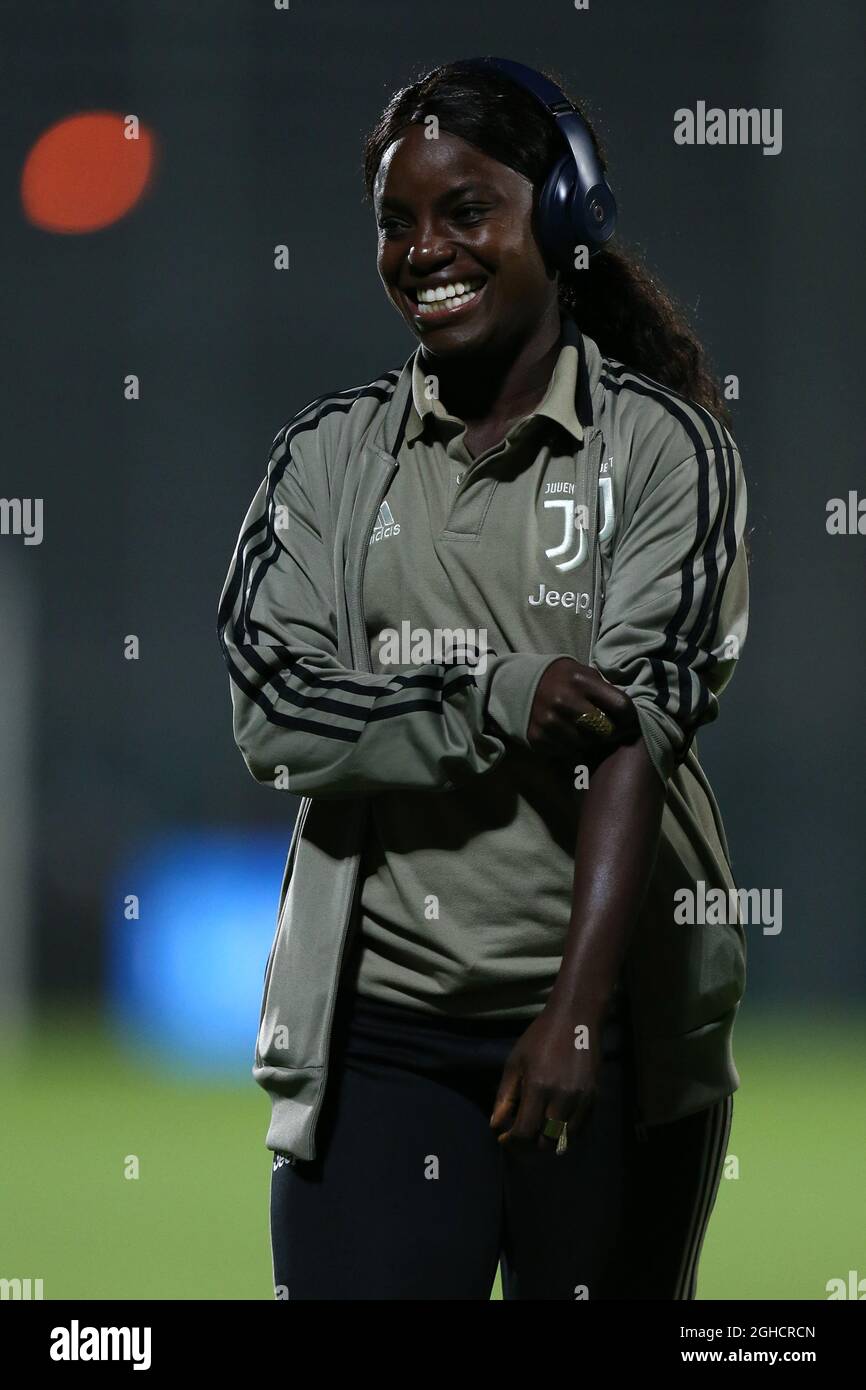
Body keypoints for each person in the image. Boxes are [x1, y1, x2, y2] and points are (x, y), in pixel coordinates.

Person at [217, 57, 749, 1301]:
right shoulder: (324, 457)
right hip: (378, 1040)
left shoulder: (665, 450)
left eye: (466, 211)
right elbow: (275, 709)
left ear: (558, 217)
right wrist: (501, 693)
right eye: (396, 222)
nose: (424, 250)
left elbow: (637, 728)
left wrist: (573, 1012)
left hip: (606, 1039)